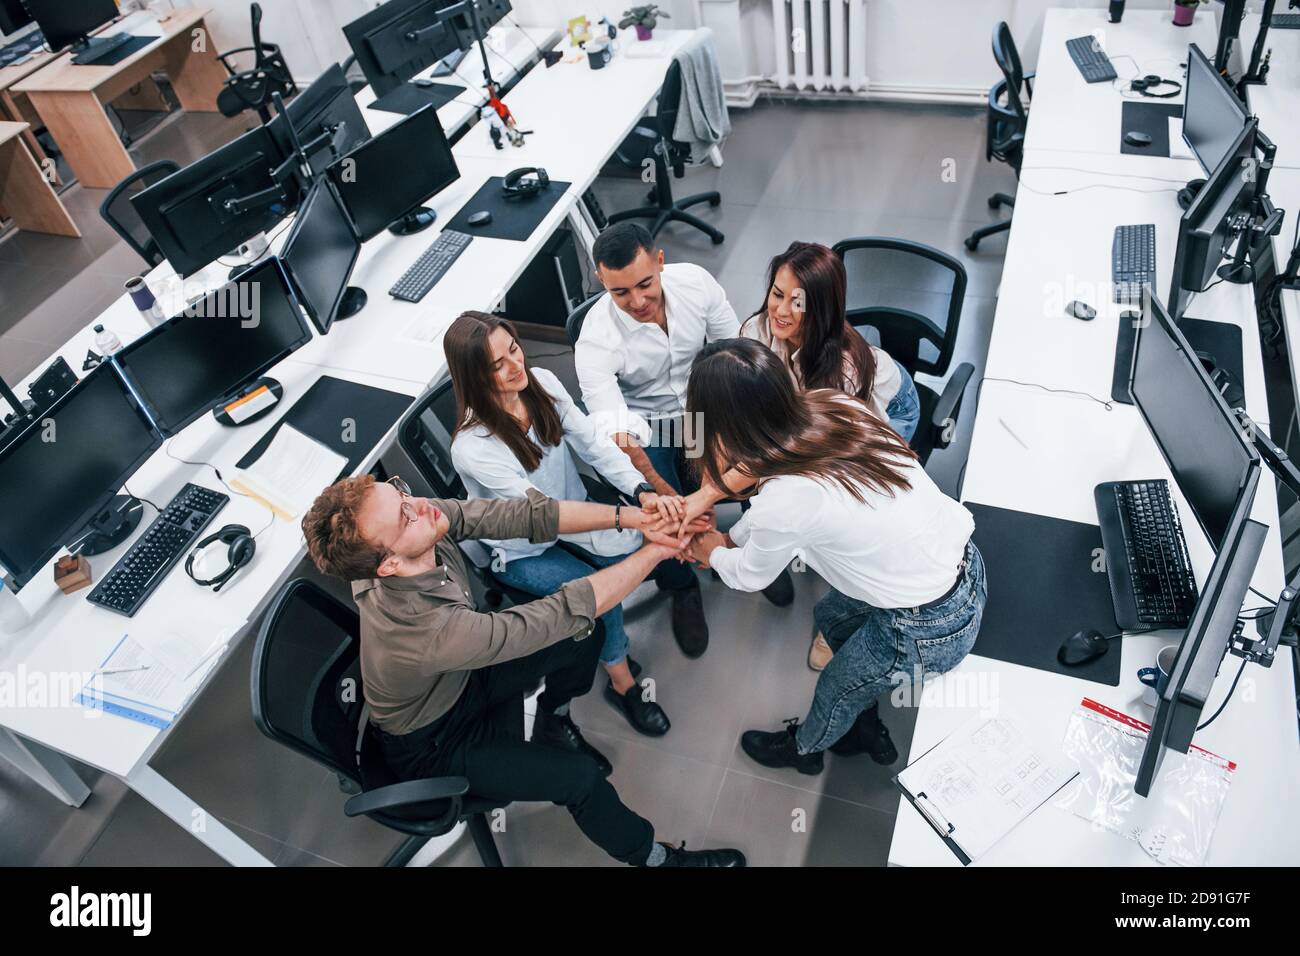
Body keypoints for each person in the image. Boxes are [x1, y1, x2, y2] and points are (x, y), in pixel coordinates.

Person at [301, 475, 745, 867]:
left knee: (585, 634)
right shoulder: (431, 631)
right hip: (436, 741)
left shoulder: (422, 522)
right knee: (581, 779)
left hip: (461, 678)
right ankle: (655, 859)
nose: (417, 504)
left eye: (400, 490)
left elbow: (526, 517)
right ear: (389, 566)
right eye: (403, 515)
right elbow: (565, 609)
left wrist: (634, 518)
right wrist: (659, 550)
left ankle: (554, 720)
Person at [680, 338, 986, 772]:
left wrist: (712, 551)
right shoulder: (831, 405)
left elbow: (750, 575)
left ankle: (806, 751)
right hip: (958, 565)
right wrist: (712, 508)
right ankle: (861, 720)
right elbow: (768, 501)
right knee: (830, 617)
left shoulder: (785, 499)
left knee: (837, 689)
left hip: (928, 625)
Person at [445, 311, 710, 736]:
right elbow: (542, 515)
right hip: (519, 548)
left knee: (622, 559)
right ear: (474, 377)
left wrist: (642, 490)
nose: (517, 366)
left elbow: (595, 446)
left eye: (514, 349)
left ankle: (614, 645)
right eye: (498, 365)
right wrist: (633, 516)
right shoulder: (473, 448)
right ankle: (623, 686)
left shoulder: (543, 383)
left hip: (577, 509)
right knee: (597, 596)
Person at [575, 221, 793, 639]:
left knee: (756, 474)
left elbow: (736, 360)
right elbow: (621, 437)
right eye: (619, 292)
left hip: (707, 406)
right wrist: (678, 501)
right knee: (661, 514)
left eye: (644, 284)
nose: (637, 301)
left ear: (660, 261)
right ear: (601, 281)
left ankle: (757, 551)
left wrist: (711, 481)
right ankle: (683, 586)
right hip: (647, 427)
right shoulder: (595, 341)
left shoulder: (696, 284)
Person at [741, 241, 921, 441]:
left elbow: (823, 443)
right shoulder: (755, 330)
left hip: (894, 405)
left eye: (797, 302)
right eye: (777, 294)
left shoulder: (844, 372)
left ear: (820, 309)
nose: (781, 311)